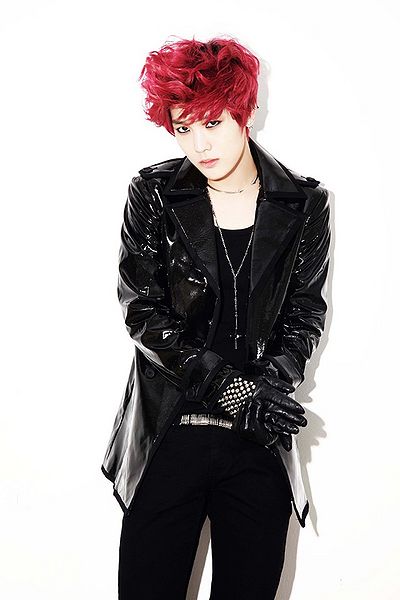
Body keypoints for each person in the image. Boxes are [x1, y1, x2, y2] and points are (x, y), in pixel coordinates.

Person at [101, 35, 331, 599]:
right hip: (169, 432)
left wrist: (266, 388)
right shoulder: (154, 193)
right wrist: (228, 387)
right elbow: (142, 310)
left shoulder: (304, 202)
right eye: (183, 128)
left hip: (257, 441)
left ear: (244, 112)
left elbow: (305, 312)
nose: (199, 144)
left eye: (212, 122)